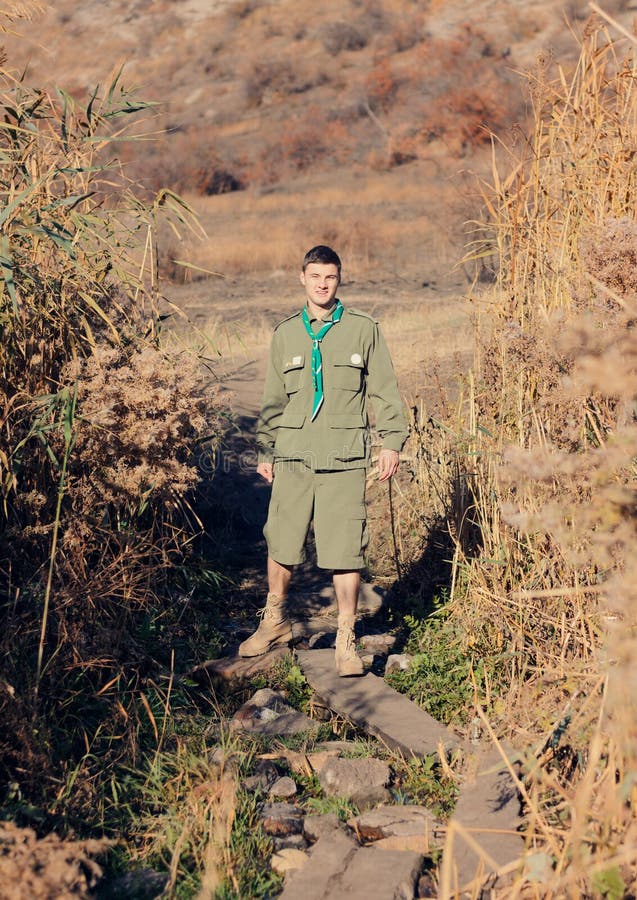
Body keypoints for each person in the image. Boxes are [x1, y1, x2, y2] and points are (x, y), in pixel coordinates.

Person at [239, 245, 408, 675]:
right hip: (294, 455)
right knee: (282, 540)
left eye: (330, 277)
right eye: (315, 276)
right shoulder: (286, 334)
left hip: (343, 457)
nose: (322, 284)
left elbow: (385, 390)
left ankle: (345, 640)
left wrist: (391, 442)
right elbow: (273, 399)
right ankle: (274, 621)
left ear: (339, 279)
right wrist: (266, 449)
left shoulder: (363, 329)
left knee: (345, 549)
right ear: (302, 278)